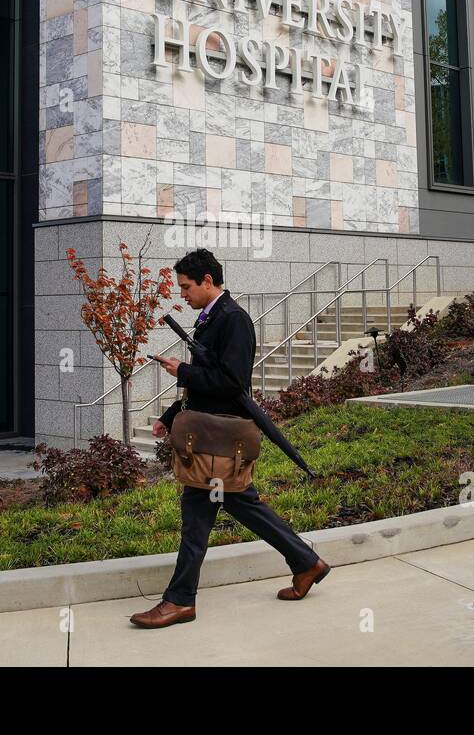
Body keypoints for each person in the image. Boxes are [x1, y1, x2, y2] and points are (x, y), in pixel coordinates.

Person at [129, 248, 329, 629]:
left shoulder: (234, 319)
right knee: (240, 506)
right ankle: (306, 562)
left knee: (196, 519)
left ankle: (179, 601)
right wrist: (170, 417)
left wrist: (182, 370)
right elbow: (208, 378)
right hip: (210, 433)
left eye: (187, 287)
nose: (182, 294)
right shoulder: (211, 317)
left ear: (208, 281)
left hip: (218, 440)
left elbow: (230, 383)